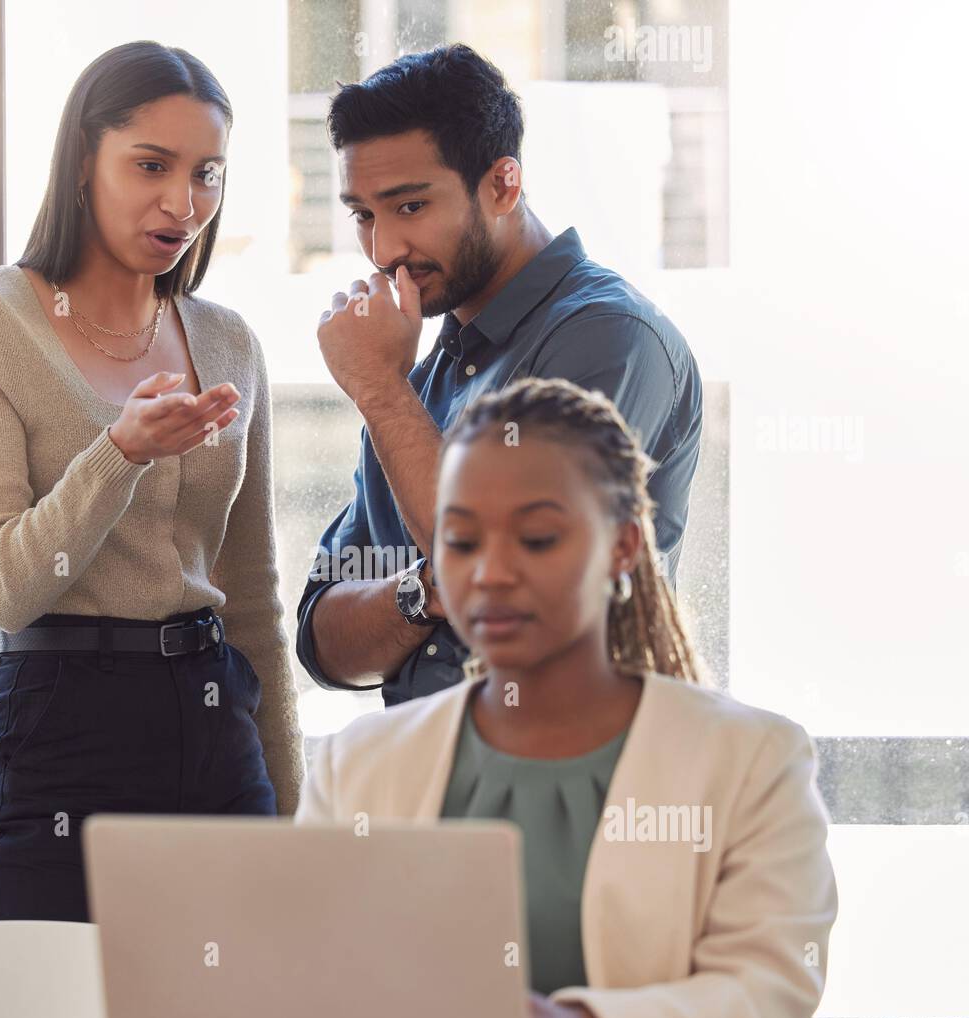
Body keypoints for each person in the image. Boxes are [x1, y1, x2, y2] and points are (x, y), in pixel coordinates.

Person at [295, 378, 837, 1018]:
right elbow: (311, 983)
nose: (489, 574)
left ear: (622, 548)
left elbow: (769, 992)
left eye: (538, 538)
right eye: (460, 541)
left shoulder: (752, 760)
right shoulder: (358, 764)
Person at [0, 41, 304, 922]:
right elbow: (4, 589)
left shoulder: (230, 342)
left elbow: (253, 597)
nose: (185, 202)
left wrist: (291, 808)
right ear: (82, 159)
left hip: (217, 726)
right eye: (151, 166)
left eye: (206, 172)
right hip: (60, 730)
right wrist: (117, 456)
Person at [299, 43, 704, 707]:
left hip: (573, 783)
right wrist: (426, 590)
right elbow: (322, 640)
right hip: (422, 787)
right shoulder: (418, 376)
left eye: (409, 207)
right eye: (363, 215)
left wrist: (377, 391)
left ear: (503, 185)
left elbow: (511, 572)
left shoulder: (611, 337)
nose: (382, 250)